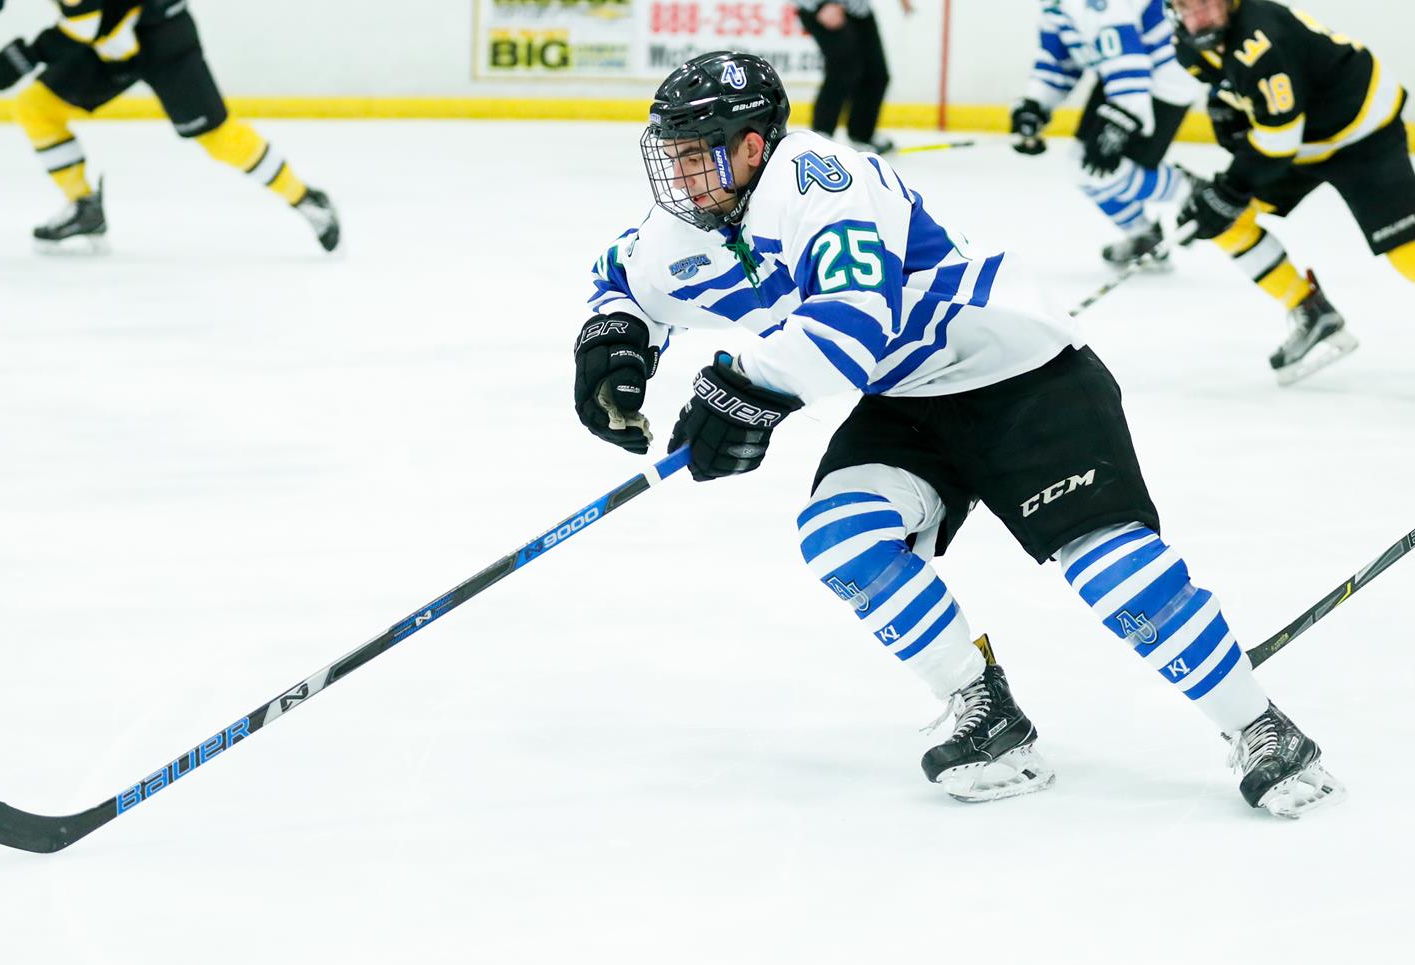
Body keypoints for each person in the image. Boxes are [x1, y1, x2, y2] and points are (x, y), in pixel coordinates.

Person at [573, 49, 1340, 816]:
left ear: (750, 143)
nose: (678, 176)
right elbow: (623, 279)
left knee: (1107, 567)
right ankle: (986, 710)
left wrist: (744, 386)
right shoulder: (693, 221)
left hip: (1021, 369)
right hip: (911, 398)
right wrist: (615, 349)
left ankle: (1263, 727)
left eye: (692, 154)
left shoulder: (817, 180)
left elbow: (852, 322)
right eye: (668, 154)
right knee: (840, 533)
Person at [0, 0, 340, 252]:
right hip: (109, 39)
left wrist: (25, 56)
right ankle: (84, 208)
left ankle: (305, 199)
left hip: (159, 35)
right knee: (36, 106)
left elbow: (85, 25)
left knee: (217, 137)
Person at [1169, 0, 1415, 385]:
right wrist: (1225, 101)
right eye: (1188, 8)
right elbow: (1229, 85)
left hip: (1362, 131)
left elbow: (1278, 139)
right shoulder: (1189, 43)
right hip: (1305, 140)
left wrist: (1230, 188)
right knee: (1228, 224)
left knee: (1407, 252)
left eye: (1208, 4)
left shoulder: (1259, 40)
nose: (1200, 16)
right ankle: (1311, 311)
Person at [1010, 0, 1203, 267]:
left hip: (1164, 77)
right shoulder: (1056, 5)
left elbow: (1127, 55)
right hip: (1119, 77)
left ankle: (1190, 191)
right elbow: (1059, 58)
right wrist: (1036, 104)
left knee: (1101, 170)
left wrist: (1124, 117)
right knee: (1081, 165)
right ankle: (1144, 236)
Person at [795, 1, 912, 154]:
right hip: (822, 6)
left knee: (876, 74)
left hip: (858, 9)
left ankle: (861, 135)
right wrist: (828, 4)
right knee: (843, 69)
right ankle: (821, 135)